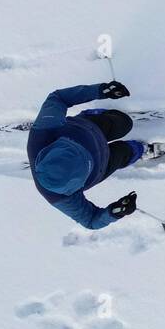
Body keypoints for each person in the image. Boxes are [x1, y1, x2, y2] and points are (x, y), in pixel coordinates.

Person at [27, 80, 146, 229]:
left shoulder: (42, 134)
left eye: (74, 148)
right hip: (102, 167)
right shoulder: (59, 198)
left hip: (90, 129)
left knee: (125, 123)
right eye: (85, 163)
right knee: (128, 152)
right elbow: (91, 221)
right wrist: (113, 213)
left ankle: (91, 114)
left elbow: (58, 98)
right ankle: (140, 150)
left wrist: (101, 91)